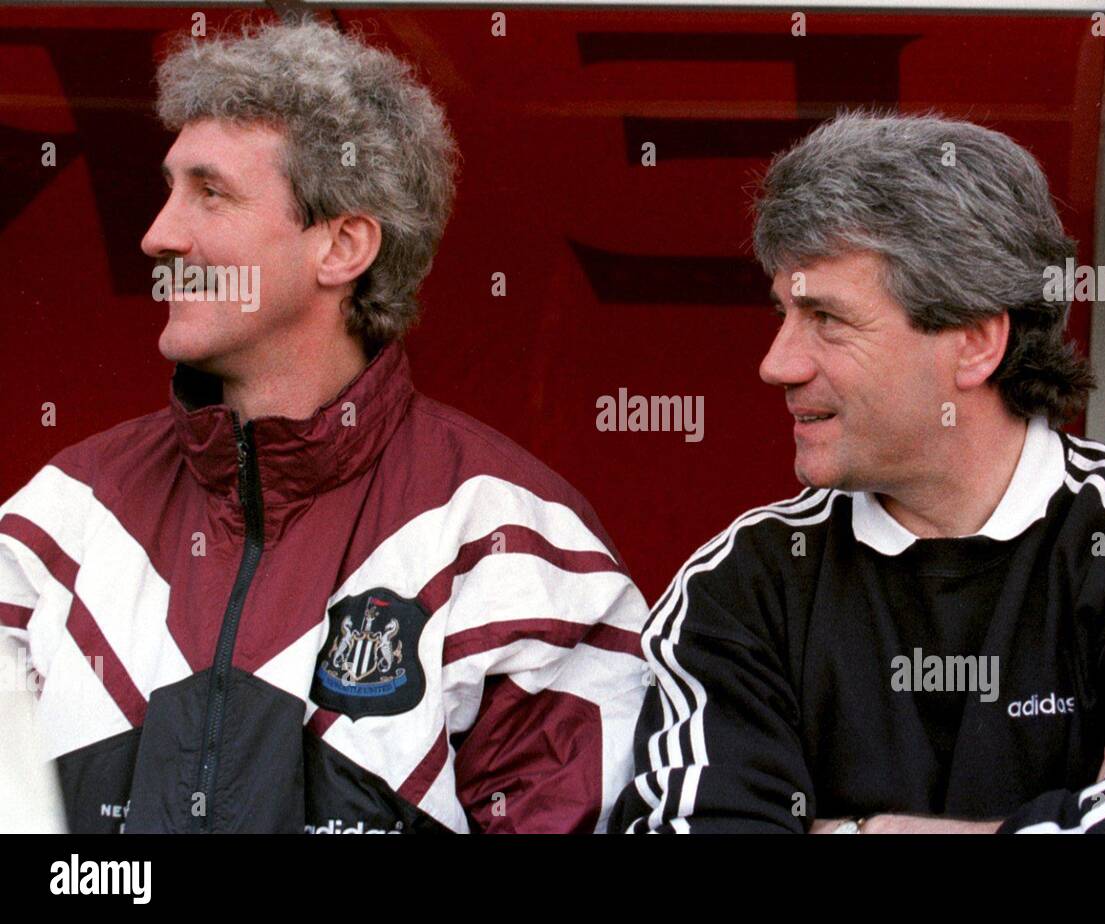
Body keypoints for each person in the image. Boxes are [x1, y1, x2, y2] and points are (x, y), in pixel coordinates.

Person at [0, 20, 647, 833]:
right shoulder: (57, 523)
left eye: (211, 192)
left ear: (342, 246)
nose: (158, 235)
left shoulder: (509, 546)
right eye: (169, 190)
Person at [611, 111, 1105, 834]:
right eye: (783, 312)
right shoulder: (739, 587)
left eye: (826, 318)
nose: (777, 362)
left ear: (974, 343)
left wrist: (860, 830)